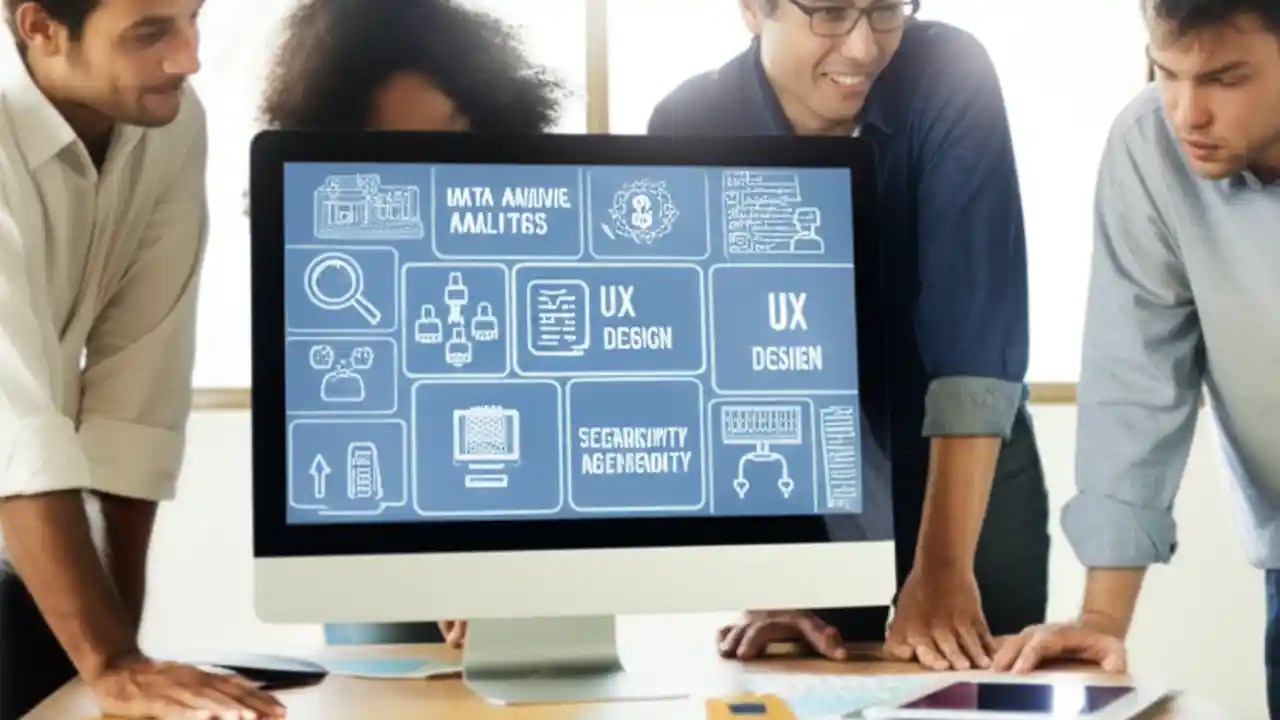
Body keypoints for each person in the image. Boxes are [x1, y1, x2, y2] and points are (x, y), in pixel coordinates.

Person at [648, 0, 1050, 671]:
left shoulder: (949, 72)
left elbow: (976, 336)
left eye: (886, 9)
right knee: (808, 684)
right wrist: (767, 576)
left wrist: (944, 569)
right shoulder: (688, 124)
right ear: (753, 9)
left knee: (980, 689)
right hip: (801, 477)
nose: (863, 48)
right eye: (830, 12)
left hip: (964, 460)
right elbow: (719, 373)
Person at [0, 1, 288, 719]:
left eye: (192, 18)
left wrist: (125, 663)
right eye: (150, 32)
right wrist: (111, 663)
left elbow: (138, 394)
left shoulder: (170, 123)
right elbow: (15, 417)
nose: (189, 57)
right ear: (40, 27)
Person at [991, 1, 1280, 715]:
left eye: (1224, 78)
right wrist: (1100, 622)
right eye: (1165, 70)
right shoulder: (1152, 146)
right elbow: (1137, 380)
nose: (1188, 113)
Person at [259, 0, 565, 650]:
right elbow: (345, 445)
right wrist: (435, 564)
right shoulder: (322, 264)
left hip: (532, 536)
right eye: (392, 150)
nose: (431, 173)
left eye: (452, 137)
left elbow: (552, 421)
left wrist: (497, 563)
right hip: (377, 549)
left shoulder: (538, 230)